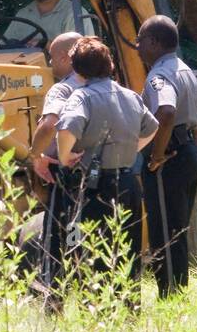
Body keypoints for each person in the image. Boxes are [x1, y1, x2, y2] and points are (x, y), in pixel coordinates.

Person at [54, 38, 159, 292]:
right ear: (110, 64)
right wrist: (133, 149)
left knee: (95, 255)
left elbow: (67, 128)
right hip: (128, 184)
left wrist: (64, 156)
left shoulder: (81, 97)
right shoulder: (130, 96)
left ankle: (101, 313)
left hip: (94, 189)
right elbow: (153, 126)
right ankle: (130, 311)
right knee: (128, 254)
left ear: (77, 70)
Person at [135, 16, 197, 298]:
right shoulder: (185, 70)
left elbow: (165, 111)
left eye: (141, 40)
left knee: (164, 232)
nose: (137, 46)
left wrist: (156, 155)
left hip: (170, 159)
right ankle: (178, 291)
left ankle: (171, 294)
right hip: (188, 152)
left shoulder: (159, 75)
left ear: (153, 42)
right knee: (178, 228)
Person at [27, 31, 85, 287]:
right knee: (84, 229)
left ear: (65, 57)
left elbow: (50, 123)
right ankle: (85, 281)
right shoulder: (108, 87)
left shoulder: (62, 89)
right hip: (101, 172)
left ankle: (55, 292)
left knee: (59, 233)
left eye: (52, 58)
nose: (50, 65)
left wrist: (35, 155)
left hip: (67, 173)